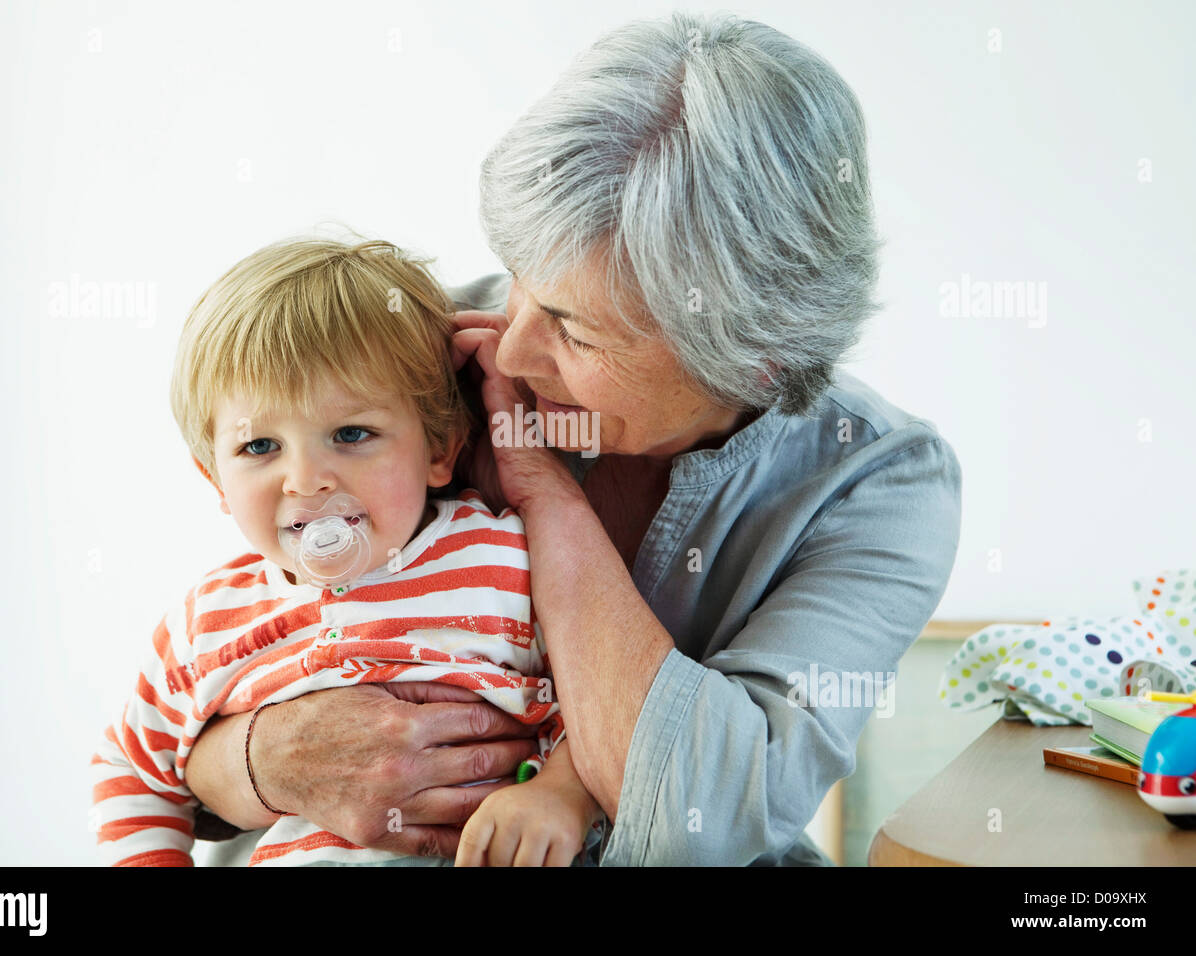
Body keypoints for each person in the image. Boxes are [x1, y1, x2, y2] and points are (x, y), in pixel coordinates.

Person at [183, 12, 964, 866]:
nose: (508, 347)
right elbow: (192, 689)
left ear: (757, 360)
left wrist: (545, 494)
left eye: (574, 329)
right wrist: (261, 758)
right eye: (521, 276)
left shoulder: (877, 481)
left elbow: (698, 822)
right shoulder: (396, 367)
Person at [90, 237, 603, 866]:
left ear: (440, 450)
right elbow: (131, 769)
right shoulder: (205, 624)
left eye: (351, 434)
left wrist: (560, 795)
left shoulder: (502, 561)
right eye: (259, 448)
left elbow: (597, 709)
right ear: (215, 480)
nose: (306, 480)